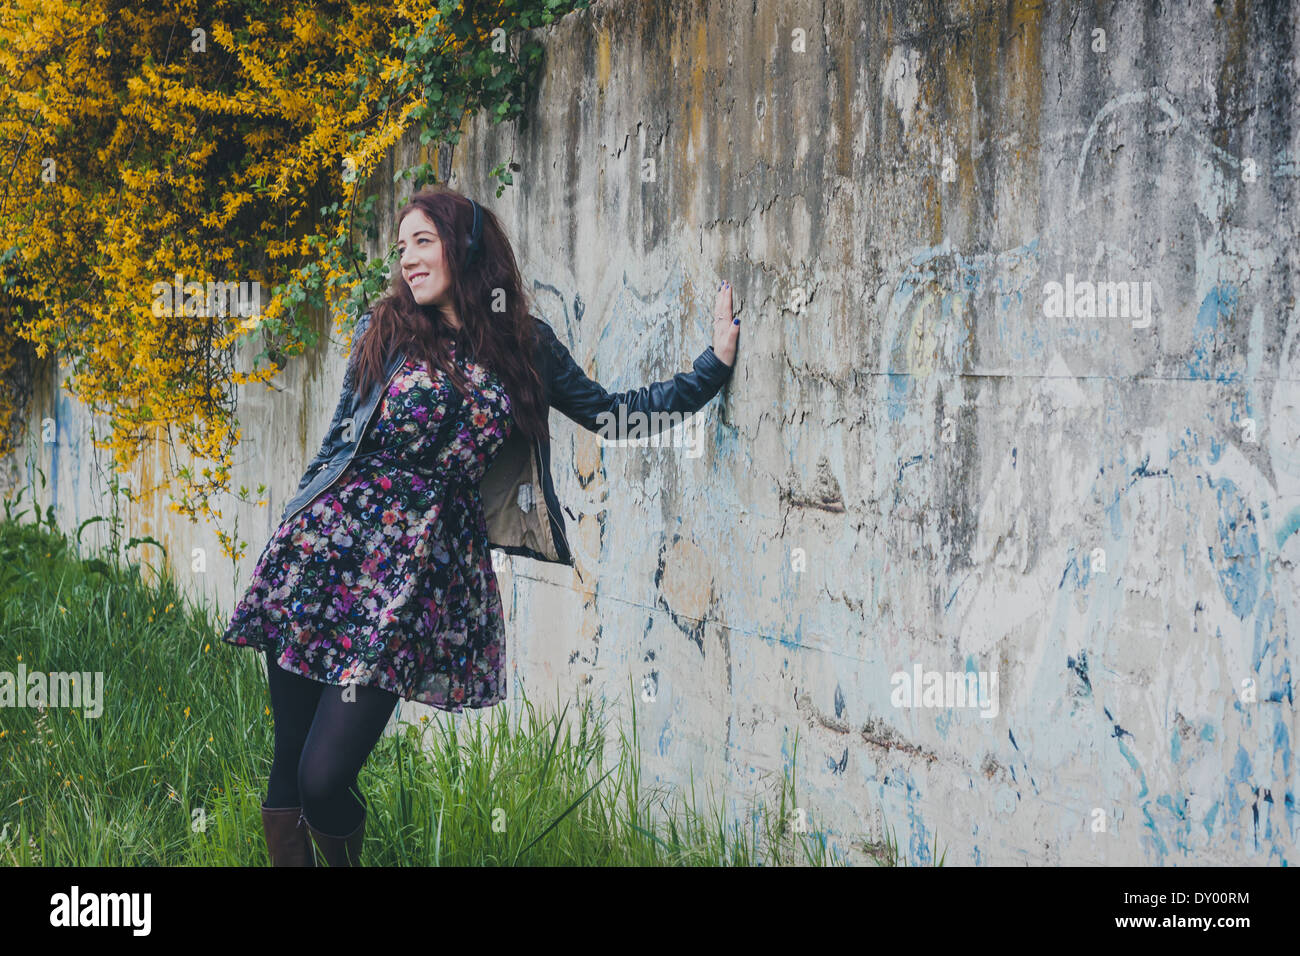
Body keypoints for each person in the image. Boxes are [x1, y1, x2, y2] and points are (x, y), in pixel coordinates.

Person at [220, 185, 740, 866]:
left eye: (423, 241)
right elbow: (338, 442)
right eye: (401, 245)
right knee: (289, 765)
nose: (407, 257)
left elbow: (611, 414)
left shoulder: (525, 344)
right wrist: (290, 531)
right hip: (324, 556)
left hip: (417, 577)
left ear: (465, 246)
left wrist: (714, 367)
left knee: (325, 778)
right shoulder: (386, 330)